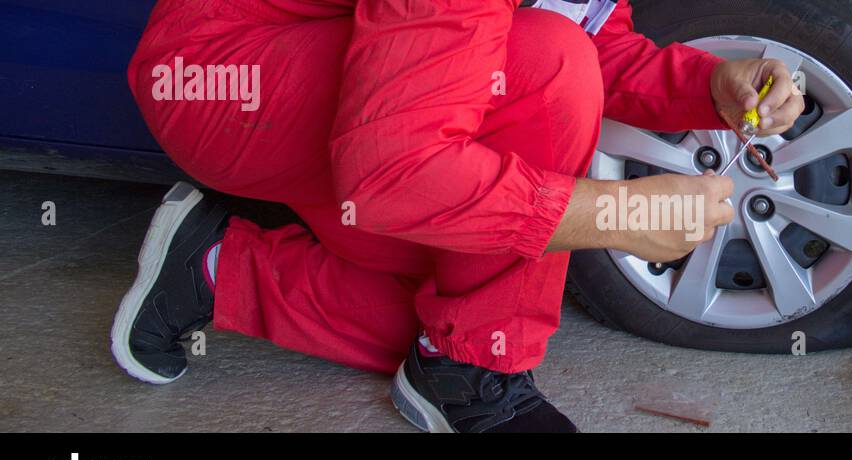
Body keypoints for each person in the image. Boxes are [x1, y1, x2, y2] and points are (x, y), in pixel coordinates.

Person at [112, 0, 803, 433]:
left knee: (476, 293)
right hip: (225, 74)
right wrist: (616, 213)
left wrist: (706, 83)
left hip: (365, 79)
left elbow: (591, 32)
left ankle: (214, 266)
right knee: (548, 71)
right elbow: (393, 174)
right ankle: (469, 368)